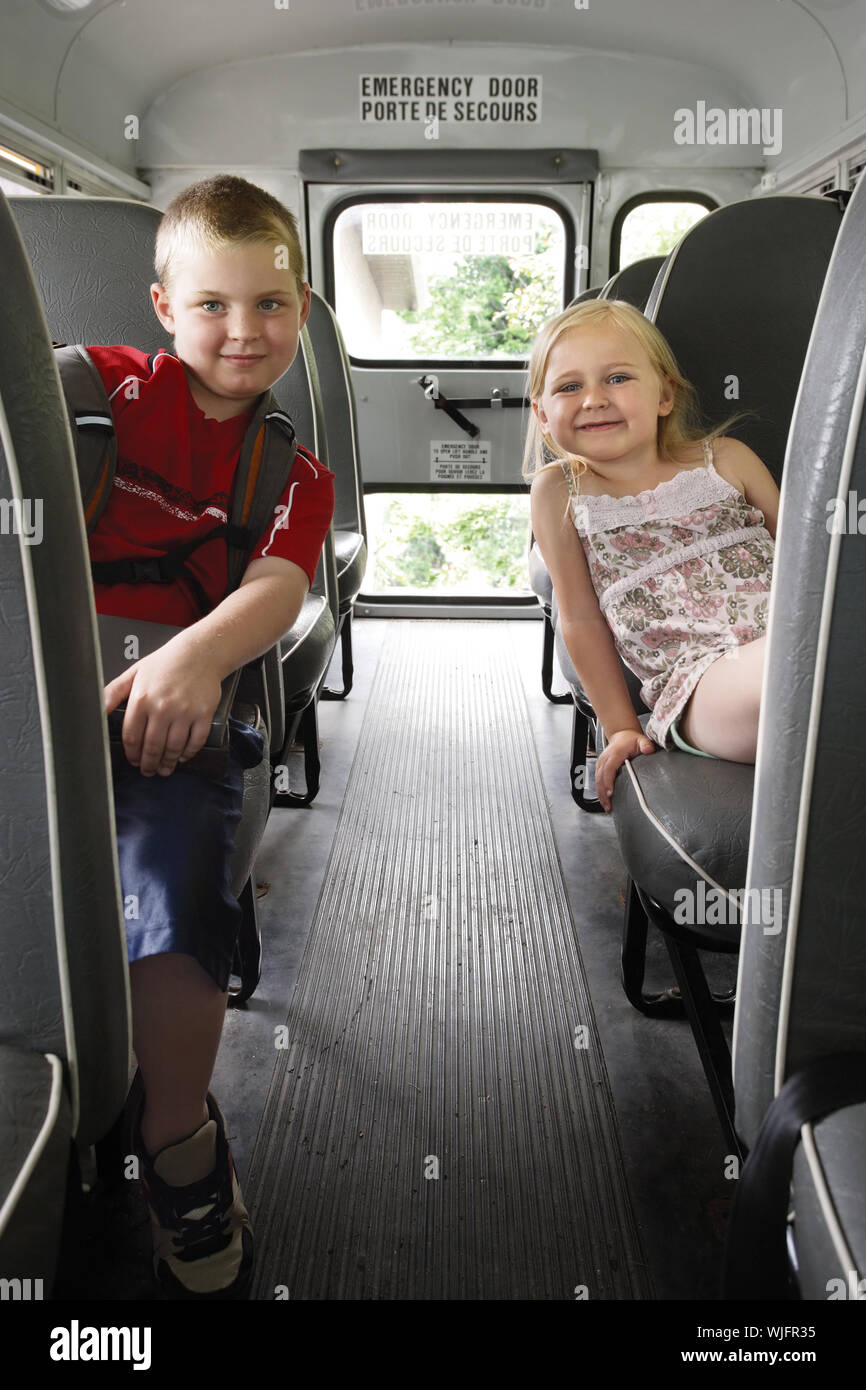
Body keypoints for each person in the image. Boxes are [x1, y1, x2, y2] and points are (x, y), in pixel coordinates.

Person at [84, 175, 334, 1298]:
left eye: (271, 305)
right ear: (162, 306)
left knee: (176, 902)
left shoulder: (295, 472)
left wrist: (190, 655)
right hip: (40, 692)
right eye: (213, 305)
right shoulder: (96, 393)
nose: (244, 331)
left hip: (174, 723)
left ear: (303, 305)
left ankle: (179, 1142)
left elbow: (279, 584)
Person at [526, 299, 779, 813]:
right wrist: (618, 726)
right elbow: (578, 617)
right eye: (569, 387)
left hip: (797, 633)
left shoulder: (728, 460)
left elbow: (812, 560)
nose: (593, 399)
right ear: (543, 416)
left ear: (664, 394)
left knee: (814, 655)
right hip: (701, 684)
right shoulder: (561, 492)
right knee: (790, 669)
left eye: (617, 378)